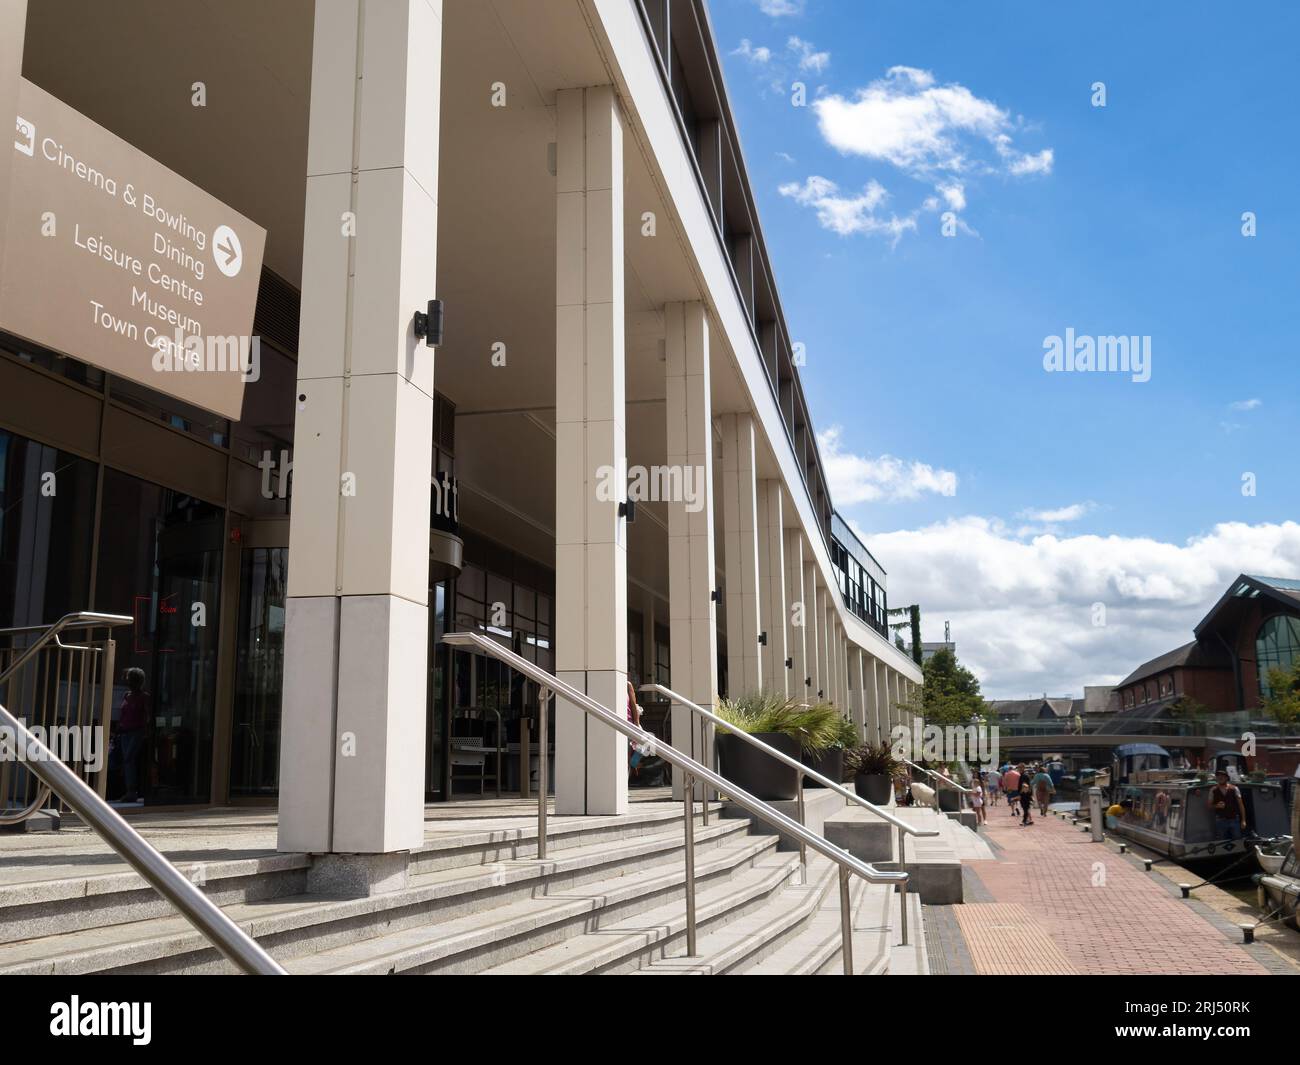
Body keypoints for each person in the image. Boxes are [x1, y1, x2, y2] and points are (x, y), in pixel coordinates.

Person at [112, 667, 148, 805]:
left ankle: (131, 791)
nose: (126, 681)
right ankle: (129, 790)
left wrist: (146, 731)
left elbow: (146, 716)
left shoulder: (144, 697)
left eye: (129, 678)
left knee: (129, 759)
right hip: (125, 732)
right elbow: (124, 714)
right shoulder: (126, 695)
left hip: (137, 732)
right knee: (126, 761)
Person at [1207, 770, 1247, 841]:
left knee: (1237, 840)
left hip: (1234, 819)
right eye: (1218, 777)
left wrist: (1243, 820)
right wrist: (1217, 806)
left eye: (1222, 776)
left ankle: (1238, 852)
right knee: (1222, 841)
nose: (1220, 778)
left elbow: (1241, 805)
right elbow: (1209, 806)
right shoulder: (1213, 790)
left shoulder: (1234, 789)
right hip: (1220, 820)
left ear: (1226, 778)